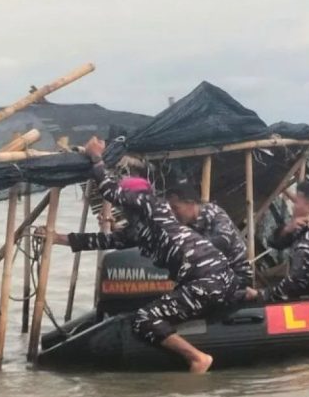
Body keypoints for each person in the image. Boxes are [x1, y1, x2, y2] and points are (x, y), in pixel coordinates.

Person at [54, 137, 237, 373]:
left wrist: (96, 158)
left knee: (144, 319)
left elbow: (112, 193)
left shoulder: (152, 204)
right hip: (215, 280)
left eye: (125, 204)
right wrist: (57, 238)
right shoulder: (142, 229)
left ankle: (198, 358)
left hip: (205, 279)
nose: (122, 208)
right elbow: (103, 240)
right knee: (151, 309)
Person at [165, 181, 253, 287]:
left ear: (191, 204)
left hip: (237, 276)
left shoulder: (214, 213)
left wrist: (191, 249)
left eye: (175, 208)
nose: (173, 214)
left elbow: (224, 240)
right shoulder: (184, 227)